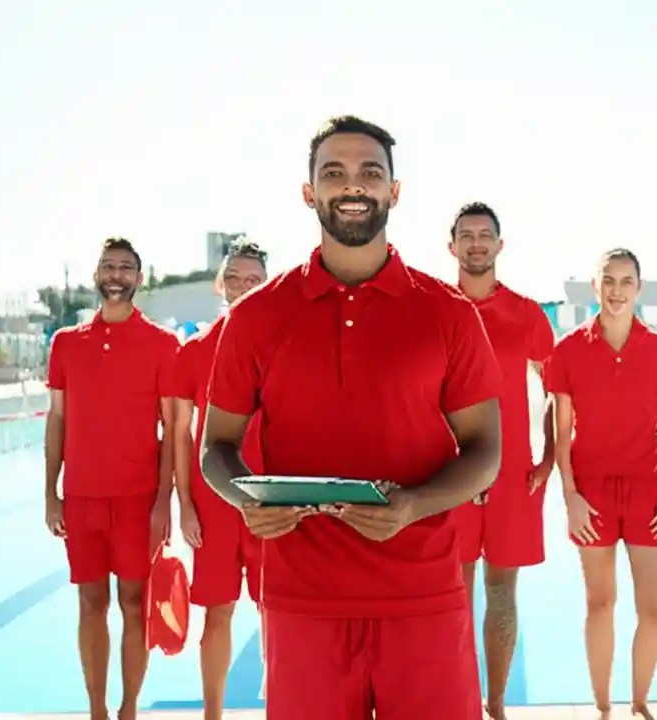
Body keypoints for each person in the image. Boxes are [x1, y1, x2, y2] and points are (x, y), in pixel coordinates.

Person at [199, 115, 504, 720]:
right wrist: (245, 497)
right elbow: (217, 446)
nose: (352, 185)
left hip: (423, 593)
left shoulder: (447, 314)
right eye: (333, 173)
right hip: (301, 599)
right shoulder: (258, 316)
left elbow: (485, 451)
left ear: (395, 190)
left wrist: (413, 505)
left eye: (370, 171)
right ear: (309, 192)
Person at [43, 237, 180, 720]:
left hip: (138, 498)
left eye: (126, 268)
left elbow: (172, 428)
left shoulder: (163, 345)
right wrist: (50, 494)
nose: (116, 275)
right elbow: (56, 421)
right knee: (90, 601)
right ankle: (97, 709)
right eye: (109, 266)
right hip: (81, 497)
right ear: (97, 274)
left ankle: (128, 709)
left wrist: (164, 501)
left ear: (139, 279)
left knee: (135, 602)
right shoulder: (66, 343)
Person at [546, 248, 657, 720]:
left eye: (626, 281)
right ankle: (604, 708)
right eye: (609, 280)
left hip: (649, 492)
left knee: (655, 610)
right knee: (600, 603)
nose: (617, 291)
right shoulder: (568, 351)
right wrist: (571, 498)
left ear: (639, 289)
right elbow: (561, 434)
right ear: (595, 285)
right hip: (593, 492)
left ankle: (639, 703)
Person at [447, 201, 556, 720]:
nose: (475, 243)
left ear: (499, 244)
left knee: (501, 592)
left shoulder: (527, 314)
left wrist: (550, 457)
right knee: (452, 593)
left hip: (514, 476)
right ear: (452, 246)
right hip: (448, 475)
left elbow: (557, 390)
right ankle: (458, 703)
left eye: (484, 235)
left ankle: (495, 707)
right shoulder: (436, 308)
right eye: (466, 235)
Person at [170, 238, 269, 719]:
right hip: (212, 504)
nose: (244, 288)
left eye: (254, 280)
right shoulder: (194, 351)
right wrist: (184, 504)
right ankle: (213, 714)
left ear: (266, 285)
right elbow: (181, 437)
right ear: (221, 284)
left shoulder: (282, 346)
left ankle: (285, 708)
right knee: (218, 611)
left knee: (277, 612)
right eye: (235, 279)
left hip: (270, 499)